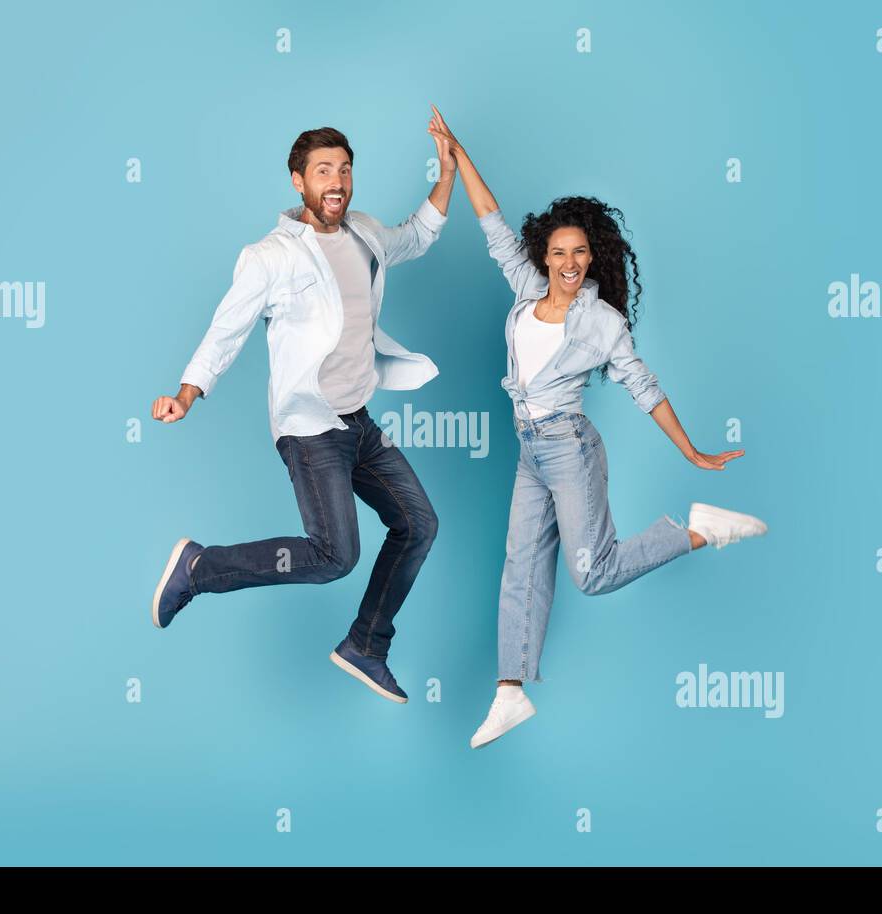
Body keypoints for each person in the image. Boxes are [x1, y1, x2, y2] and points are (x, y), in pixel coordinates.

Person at [424, 106, 769, 747]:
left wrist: (693, 452)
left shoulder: (602, 322)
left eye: (579, 252)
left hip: (571, 449)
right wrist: (459, 153)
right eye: (558, 251)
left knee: (593, 573)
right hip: (530, 450)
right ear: (545, 256)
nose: (568, 261)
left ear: (593, 258)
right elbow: (492, 222)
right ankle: (509, 692)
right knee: (519, 565)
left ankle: (699, 531)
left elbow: (643, 386)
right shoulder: (526, 293)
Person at [149, 118, 456, 704]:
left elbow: (416, 236)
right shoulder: (270, 257)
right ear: (298, 182)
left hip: (358, 422)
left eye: (344, 169)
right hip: (311, 428)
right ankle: (197, 569)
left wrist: (445, 173)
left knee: (419, 524)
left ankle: (366, 645)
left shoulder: (363, 232)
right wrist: (189, 392)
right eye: (323, 171)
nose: (337, 180)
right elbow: (226, 330)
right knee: (335, 555)